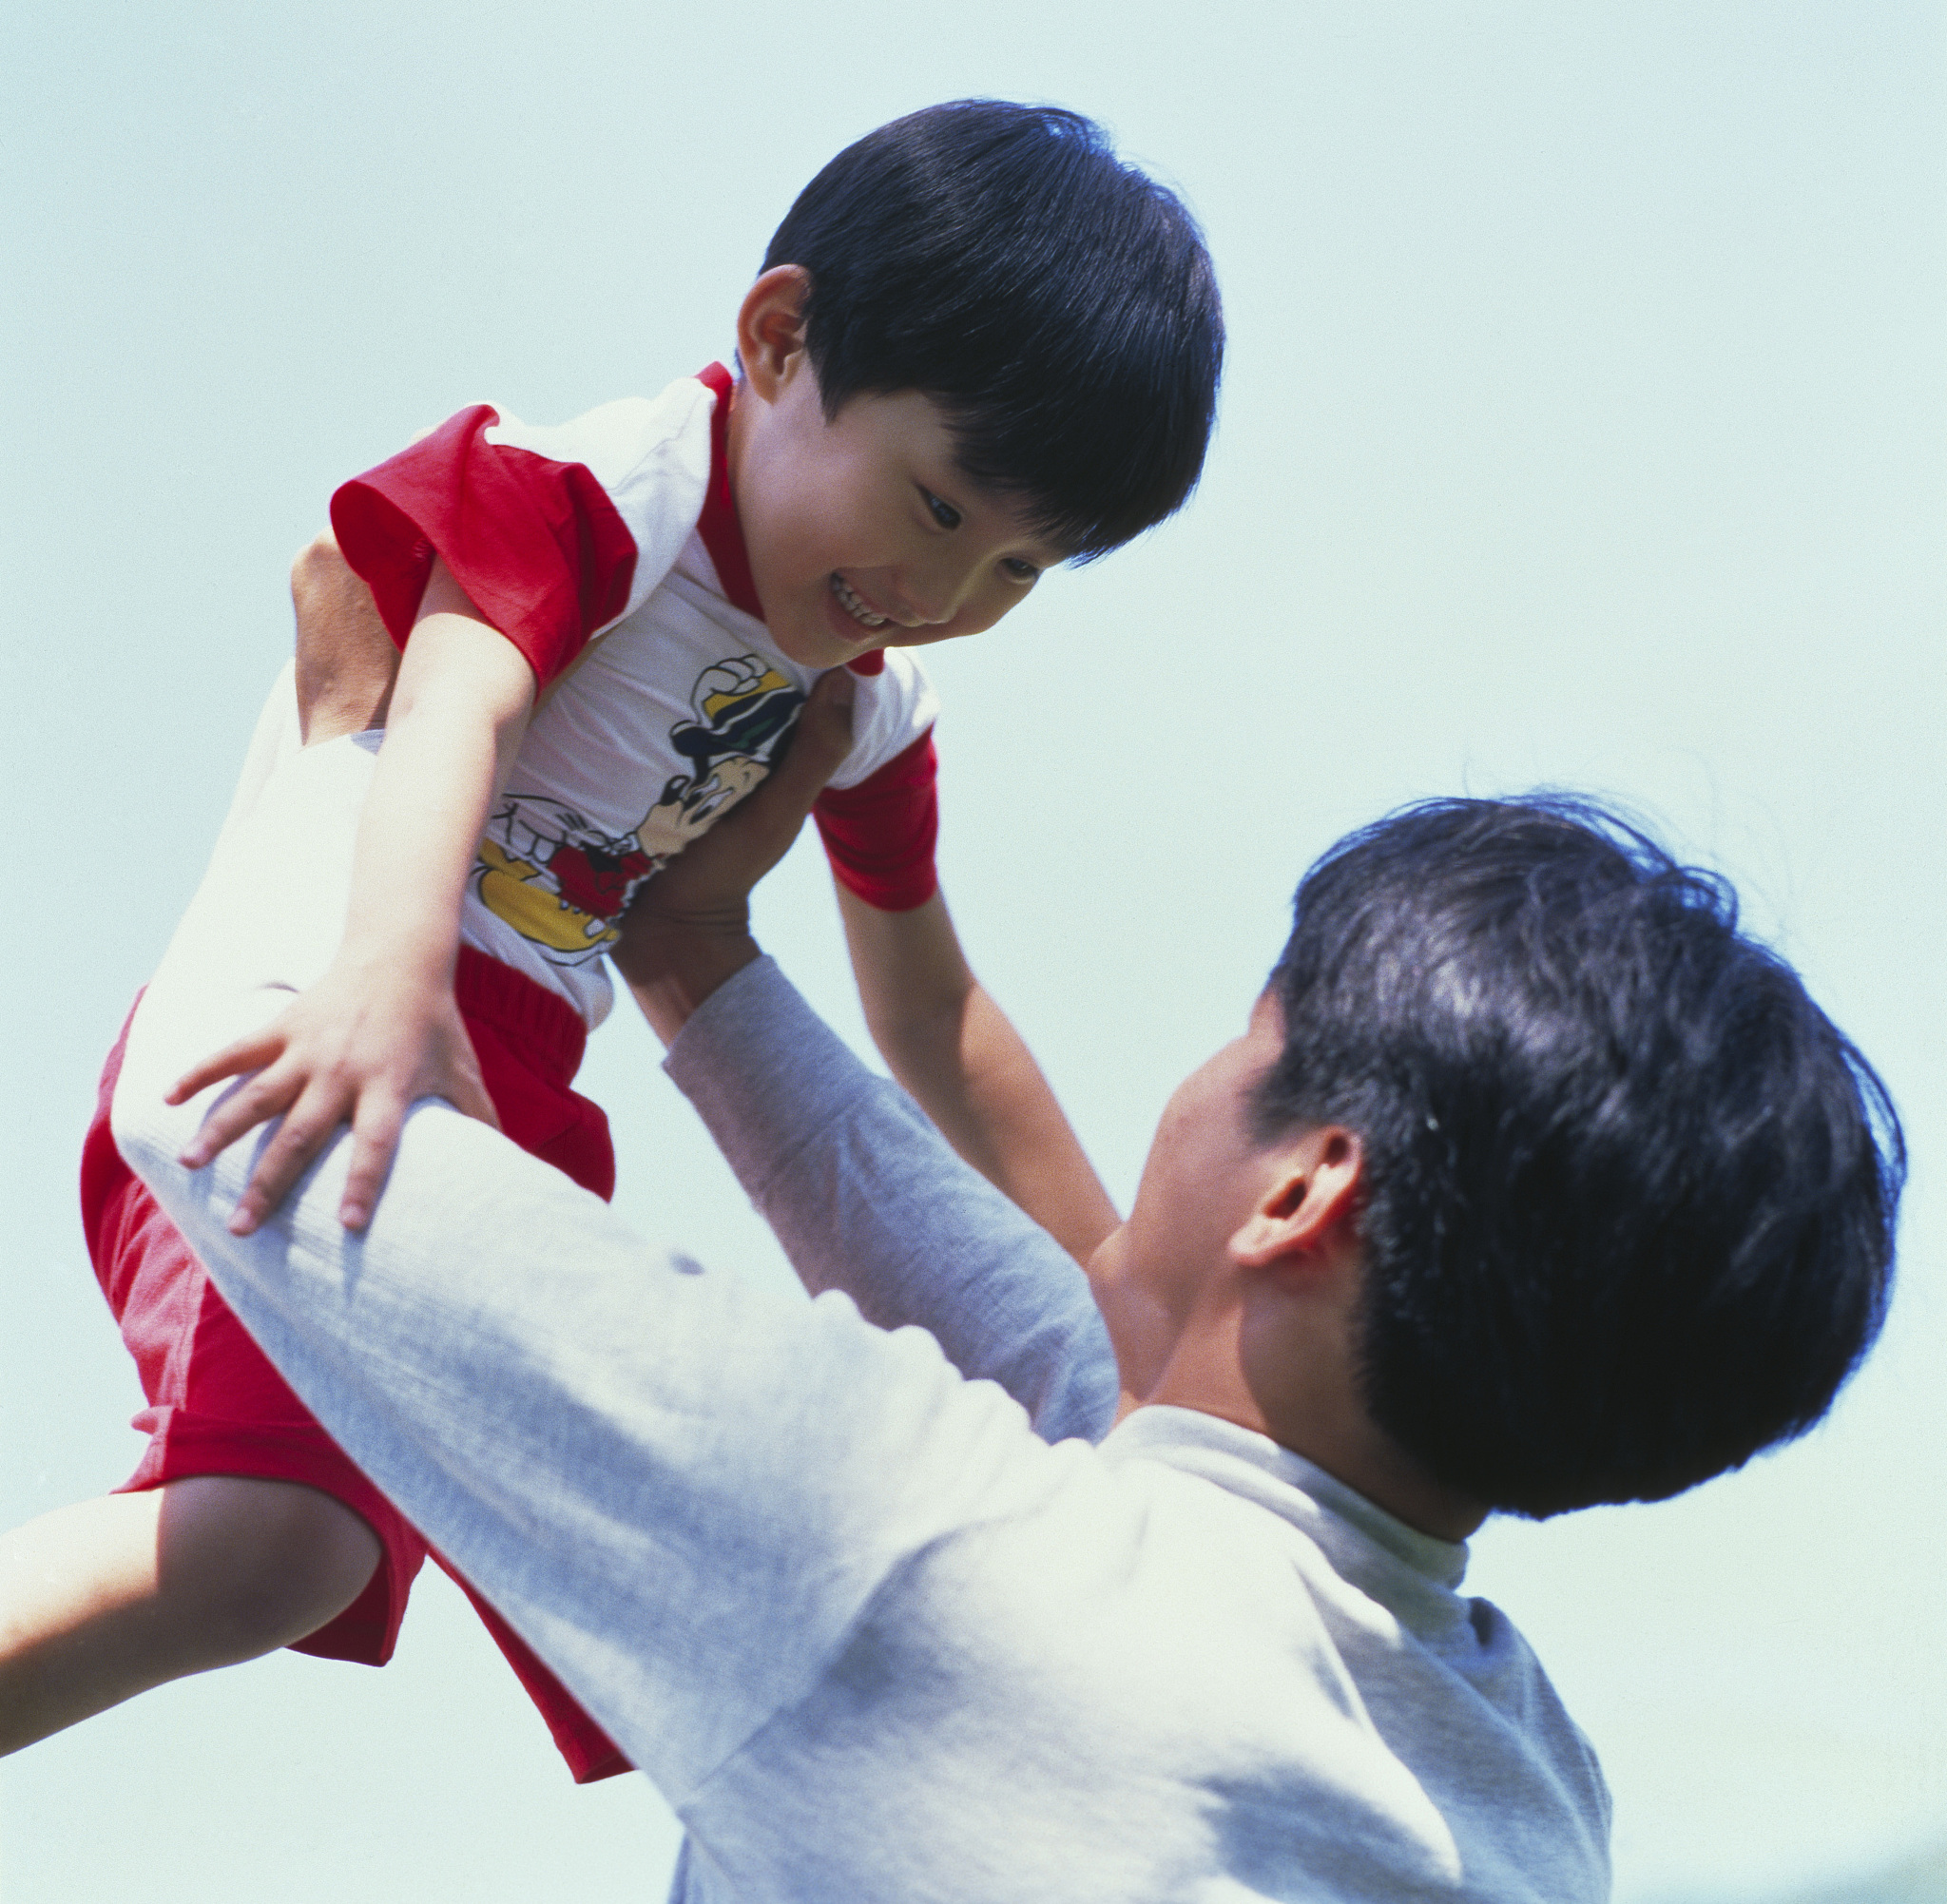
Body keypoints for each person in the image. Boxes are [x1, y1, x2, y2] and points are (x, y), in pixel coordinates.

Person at [95, 679, 1899, 1900]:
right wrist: (697, 956)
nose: (1185, 1089)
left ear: (1305, 1187)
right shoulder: (1525, 1786)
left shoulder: (926, 1568)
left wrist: (346, 739)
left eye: (1246, 1040)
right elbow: (1106, 1404)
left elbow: (217, 1106)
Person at [0, 101, 1223, 1779]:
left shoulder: (864, 704)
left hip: (506, 1095)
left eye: (1022, 569)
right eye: (941, 512)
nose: (948, 595)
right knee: (271, 1547)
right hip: (325, 1006)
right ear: (780, 342)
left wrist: (1122, 1304)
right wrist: (388, 961)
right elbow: (455, 688)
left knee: (514, 1595)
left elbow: (934, 1009)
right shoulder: (617, 489)